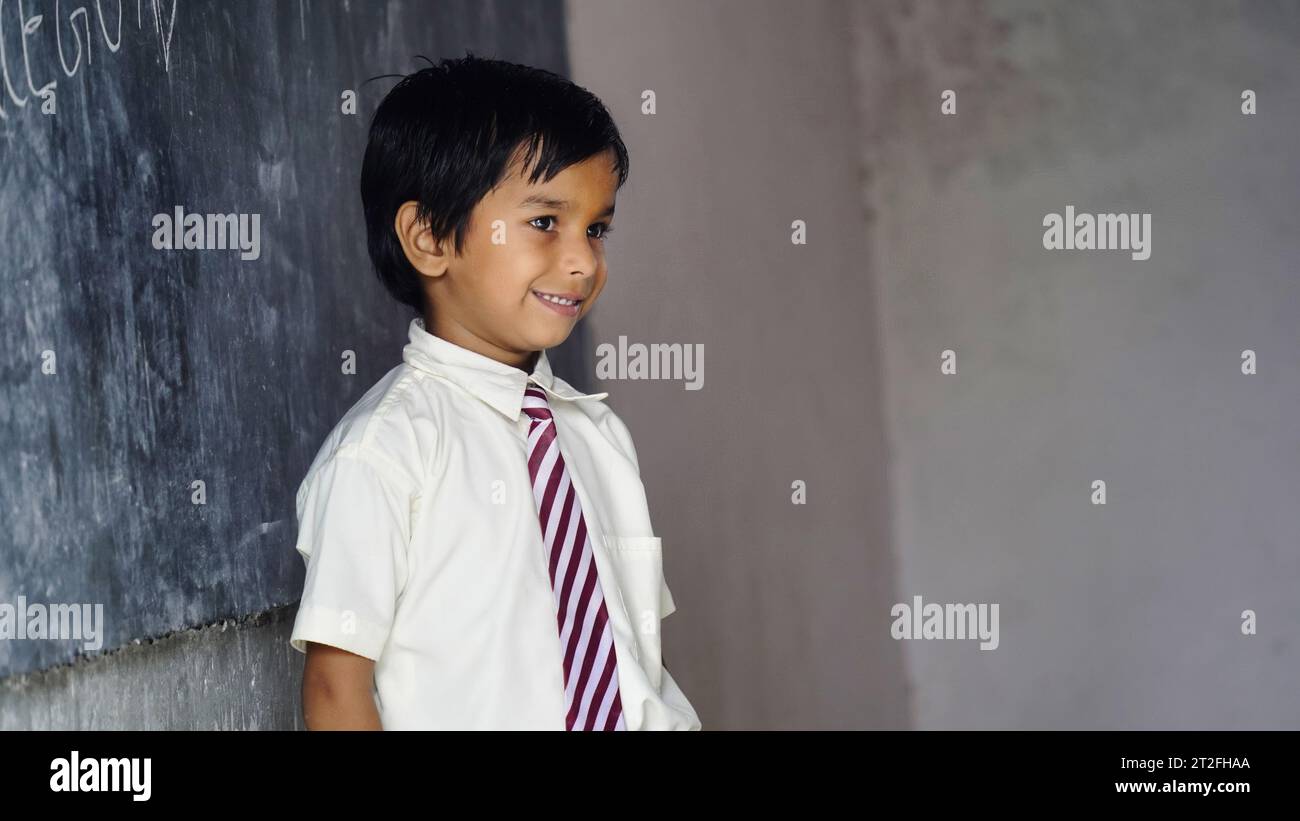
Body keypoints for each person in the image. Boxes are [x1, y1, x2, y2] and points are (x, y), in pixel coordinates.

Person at [287, 53, 700, 730]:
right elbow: (337, 690)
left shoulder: (598, 438)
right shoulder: (387, 450)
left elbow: (633, 663)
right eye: (545, 223)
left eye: (596, 228)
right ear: (429, 238)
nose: (582, 260)